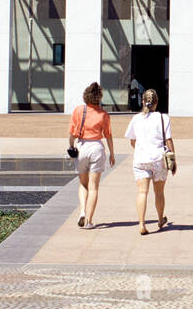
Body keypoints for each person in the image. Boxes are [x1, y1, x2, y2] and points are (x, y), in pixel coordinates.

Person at [125, 88, 176, 235]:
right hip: (159, 159)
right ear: (157, 103)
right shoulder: (163, 118)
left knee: (142, 192)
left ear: (142, 101)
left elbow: (132, 140)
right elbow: (169, 140)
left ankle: (142, 223)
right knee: (159, 192)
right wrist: (173, 160)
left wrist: (140, 148)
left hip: (141, 160)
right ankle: (160, 219)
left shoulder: (136, 118)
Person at [69, 82, 115, 229]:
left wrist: (71, 147)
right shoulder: (104, 115)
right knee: (94, 187)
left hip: (81, 147)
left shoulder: (78, 111)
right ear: (99, 97)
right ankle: (89, 220)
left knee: (83, 184)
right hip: (97, 148)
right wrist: (112, 154)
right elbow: (108, 136)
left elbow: (72, 133)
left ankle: (82, 211)